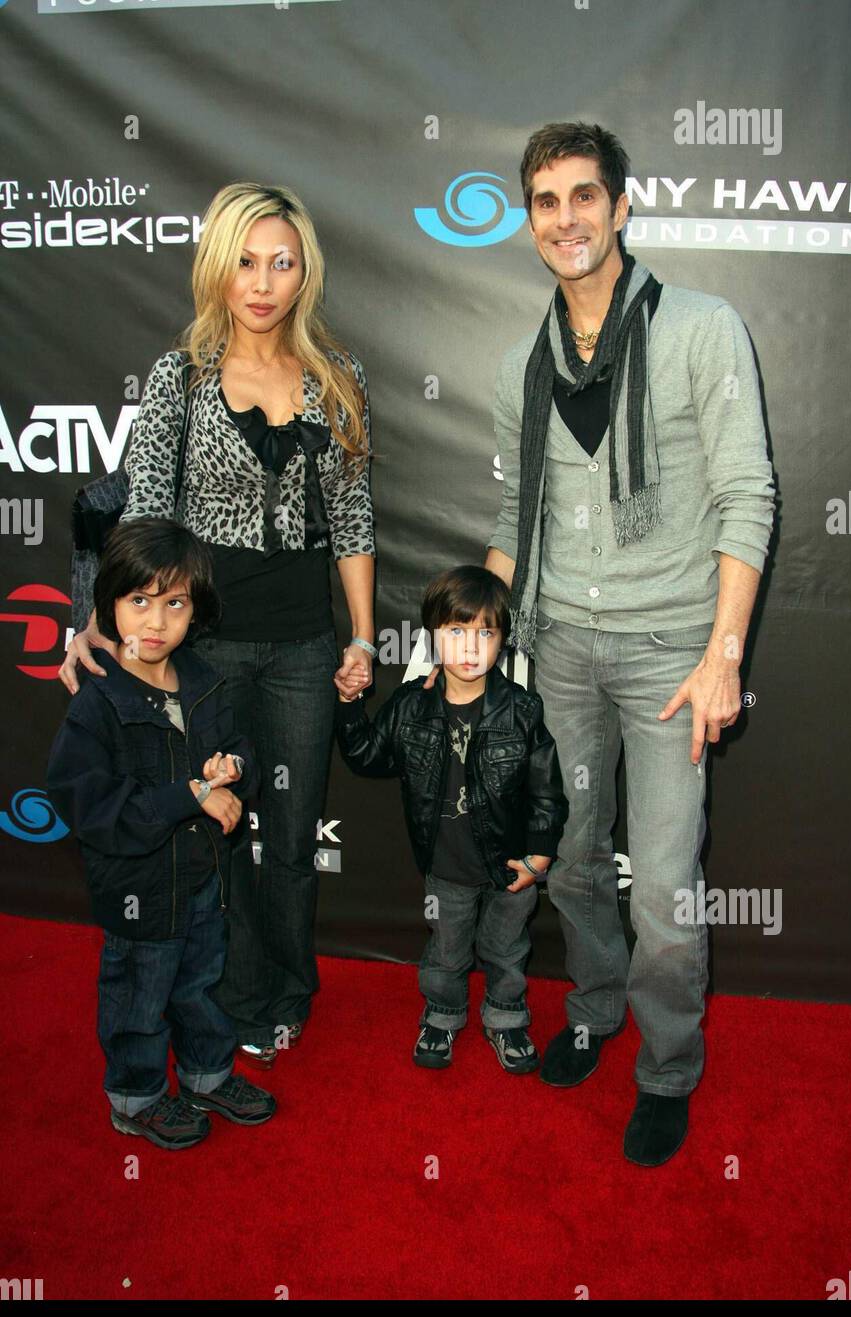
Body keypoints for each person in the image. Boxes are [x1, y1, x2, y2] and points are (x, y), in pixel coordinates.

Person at [485, 122, 776, 1164]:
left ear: (618, 207)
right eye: (543, 201)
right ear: (528, 221)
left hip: (667, 657)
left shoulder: (702, 327)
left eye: (582, 196)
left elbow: (747, 498)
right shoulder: (527, 357)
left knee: (659, 886)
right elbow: (520, 505)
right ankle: (594, 1009)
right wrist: (479, 632)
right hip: (555, 646)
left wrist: (721, 656)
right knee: (568, 861)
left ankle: (664, 1068)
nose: (564, 218)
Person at [59, 182, 377, 1069]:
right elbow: (142, 516)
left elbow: (352, 522)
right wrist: (103, 619)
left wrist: (360, 639)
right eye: (245, 260)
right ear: (217, 266)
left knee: (291, 831)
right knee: (215, 827)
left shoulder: (336, 378)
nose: (263, 281)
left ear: (304, 270)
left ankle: (287, 991)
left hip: (304, 650)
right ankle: (226, 996)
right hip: (201, 651)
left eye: (281, 261)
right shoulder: (182, 376)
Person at [46, 519, 276, 1149]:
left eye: (173, 603)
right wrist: (192, 795)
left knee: (200, 985)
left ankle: (207, 1074)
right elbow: (91, 806)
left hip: (202, 880)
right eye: (138, 601)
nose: (155, 621)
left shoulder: (202, 682)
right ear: (108, 605)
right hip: (137, 889)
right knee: (139, 1000)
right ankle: (136, 1096)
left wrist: (233, 769)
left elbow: (238, 751)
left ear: (194, 610)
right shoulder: (98, 700)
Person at [335, 565, 568, 1072]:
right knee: (446, 951)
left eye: (484, 632)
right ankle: (442, 1014)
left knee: (507, 951)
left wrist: (538, 857)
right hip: (444, 867)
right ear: (433, 635)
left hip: (511, 869)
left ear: (503, 640)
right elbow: (366, 758)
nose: (469, 646)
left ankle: (505, 1017)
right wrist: (350, 703)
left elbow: (547, 792)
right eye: (456, 631)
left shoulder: (522, 711)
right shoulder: (410, 706)